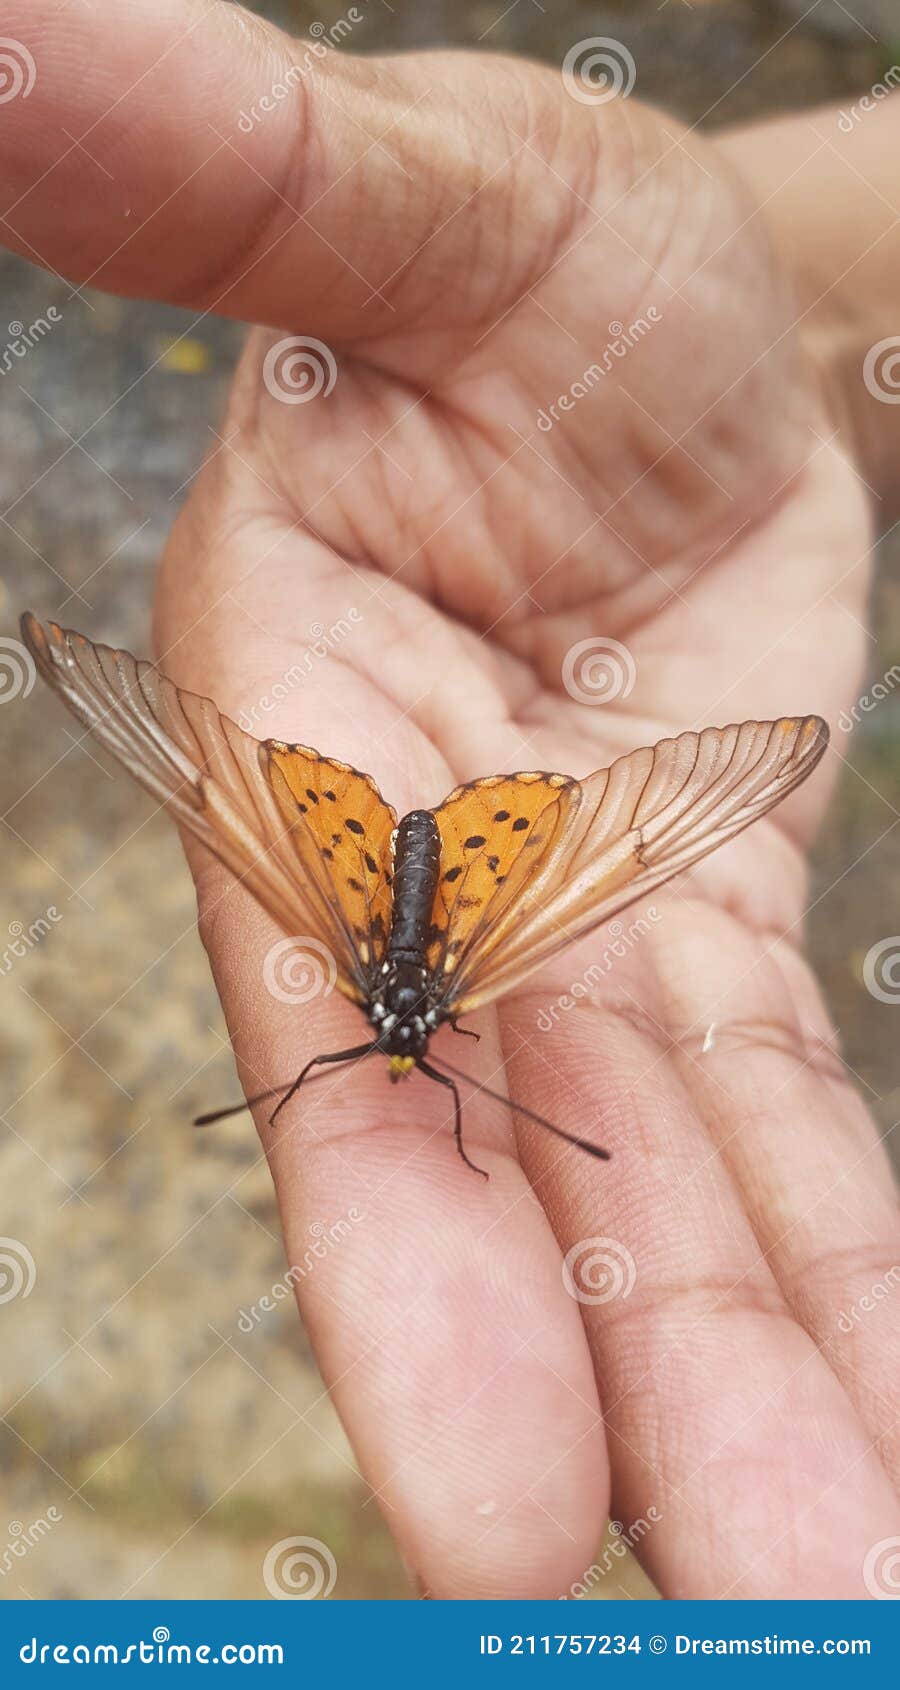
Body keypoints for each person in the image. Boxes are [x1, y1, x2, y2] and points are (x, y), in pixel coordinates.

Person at [4, 0, 898, 1600]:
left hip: (398, 869)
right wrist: (807, 344)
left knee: (281, 799)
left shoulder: (412, 985)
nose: (407, 1054)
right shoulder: (428, 993)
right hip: (437, 874)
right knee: (264, 790)